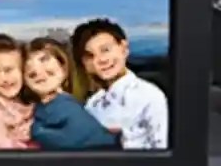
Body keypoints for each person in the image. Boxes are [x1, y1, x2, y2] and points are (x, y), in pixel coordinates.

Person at [71, 17, 169, 150]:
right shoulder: (93, 104)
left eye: (105, 50)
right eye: (90, 56)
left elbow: (161, 148)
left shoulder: (150, 96)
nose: (101, 60)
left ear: (123, 48)